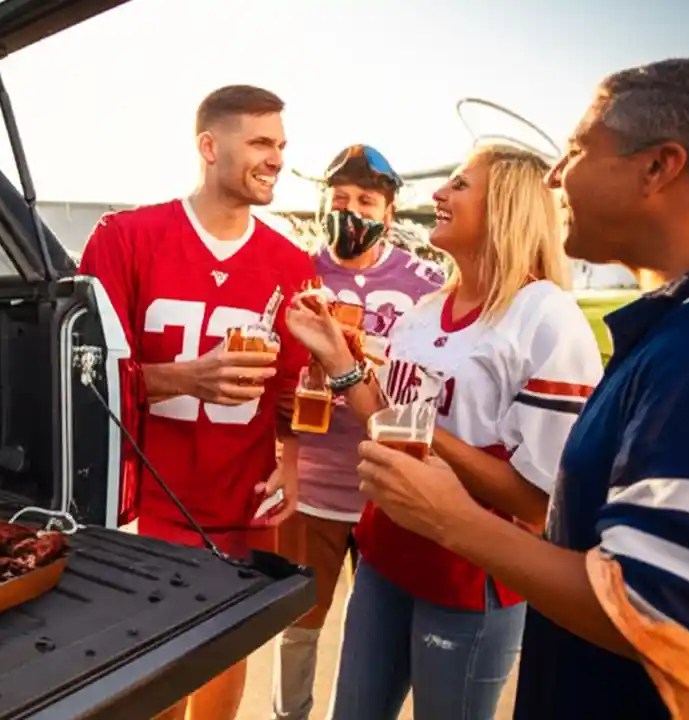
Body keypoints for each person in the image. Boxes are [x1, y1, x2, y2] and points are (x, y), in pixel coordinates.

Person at [347, 57, 689, 720]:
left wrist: (451, 517)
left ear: (657, 167)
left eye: (578, 149)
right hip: (400, 563)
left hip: (470, 592)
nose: (555, 176)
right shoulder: (683, 326)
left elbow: (658, 614)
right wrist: (342, 363)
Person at [284, 143, 604, 719]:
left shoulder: (546, 317)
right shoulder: (426, 309)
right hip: (385, 556)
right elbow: (387, 422)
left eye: (459, 184)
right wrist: (338, 359)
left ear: (505, 205)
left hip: (467, 577)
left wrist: (425, 436)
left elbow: (539, 503)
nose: (437, 193)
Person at [78, 84, 315, 720]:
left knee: (220, 669)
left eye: (281, 144)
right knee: (146, 679)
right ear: (209, 146)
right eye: (260, 142)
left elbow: (293, 390)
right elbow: (84, 378)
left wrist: (291, 461)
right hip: (144, 504)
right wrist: (187, 379)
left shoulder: (292, 264)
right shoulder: (126, 236)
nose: (276, 159)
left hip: (238, 502)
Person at [258, 145, 444, 720]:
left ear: (389, 212)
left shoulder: (426, 281)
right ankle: (290, 715)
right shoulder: (292, 269)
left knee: (378, 634)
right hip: (312, 482)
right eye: (340, 198)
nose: (351, 211)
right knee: (299, 624)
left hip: (385, 485)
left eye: (366, 201)